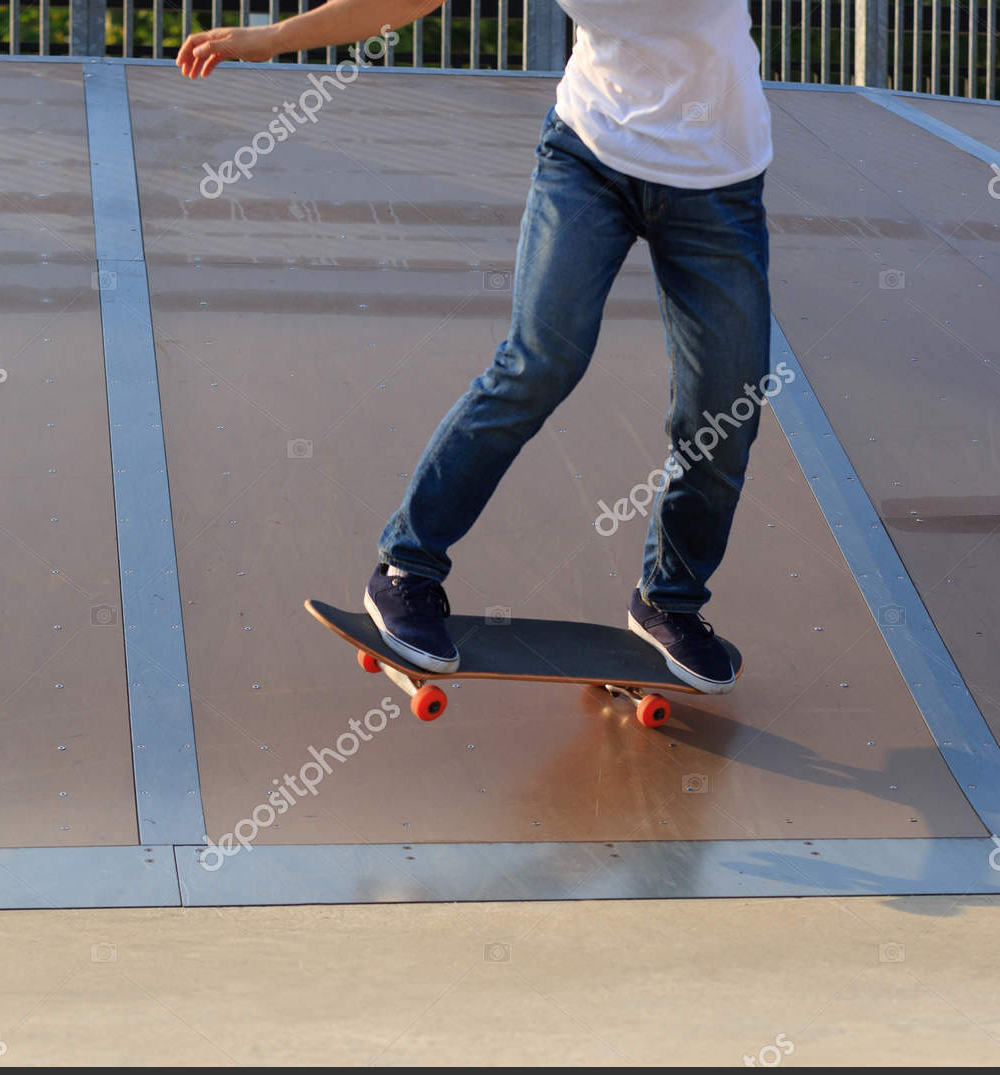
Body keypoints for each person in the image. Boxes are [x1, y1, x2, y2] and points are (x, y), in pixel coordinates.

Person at [179, 1, 772, 694]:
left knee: (725, 409)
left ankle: (669, 602)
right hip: (591, 157)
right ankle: (408, 567)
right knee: (540, 360)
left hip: (717, 182)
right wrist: (274, 38)